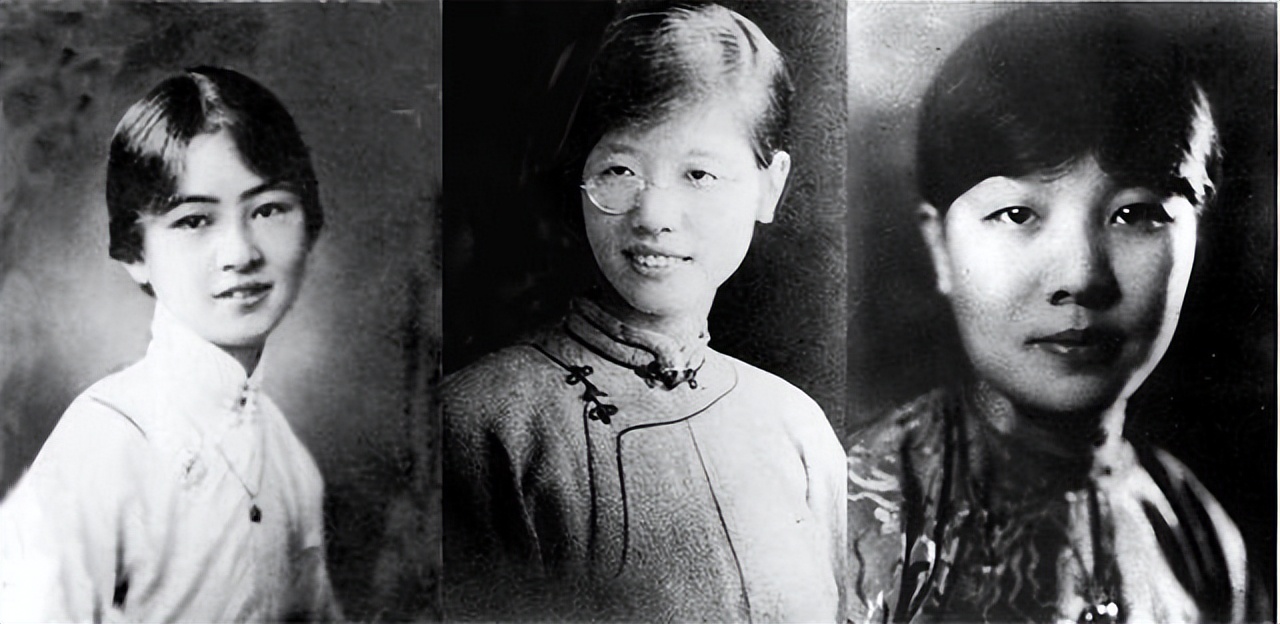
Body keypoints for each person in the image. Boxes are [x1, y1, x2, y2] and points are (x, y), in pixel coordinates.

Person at [845, 7, 1267, 623]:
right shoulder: (865, 514)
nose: (1080, 277)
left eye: (1136, 213)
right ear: (939, 247)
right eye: (1017, 214)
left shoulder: (1195, 530)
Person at [443, 3, 846, 621]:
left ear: (771, 186)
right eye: (621, 169)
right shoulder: (483, 426)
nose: (654, 213)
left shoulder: (798, 428)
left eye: (700, 174)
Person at [0, 67, 340, 620]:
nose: (240, 251)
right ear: (136, 251)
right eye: (194, 220)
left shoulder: (286, 456)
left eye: (269, 209)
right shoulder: (104, 441)